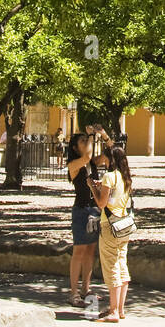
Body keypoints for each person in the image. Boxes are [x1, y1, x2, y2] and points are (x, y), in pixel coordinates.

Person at [89, 145, 133, 322]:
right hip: (124, 226)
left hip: (109, 226)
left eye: (105, 157)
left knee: (111, 266)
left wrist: (93, 187)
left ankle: (113, 310)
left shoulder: (108, 176)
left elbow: (101, 203)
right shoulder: (125, 177)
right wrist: (103, 186)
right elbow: (116, 196)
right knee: (122, 264)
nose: (103, 160)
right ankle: (120, 309)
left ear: (111, 159)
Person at [66, 132, 103, 308]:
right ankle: (73, 292)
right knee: (79, 251)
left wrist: (103, 134)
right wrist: (91, 137)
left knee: (90, 251)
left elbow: (110, 154)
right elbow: (87, 155)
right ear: (75, 148)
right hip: (81, 211)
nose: (87, 143)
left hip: (94, 210)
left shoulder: (92, 163)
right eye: (83, 141)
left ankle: (85, 289)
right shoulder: (74, 165)